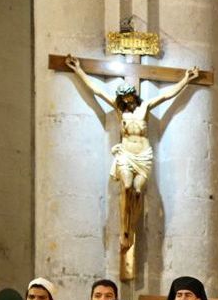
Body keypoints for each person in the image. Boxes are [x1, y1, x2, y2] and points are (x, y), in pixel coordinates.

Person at [65, 56, 199, 261]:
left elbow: (167, 97)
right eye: (124, 98)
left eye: (128, 97)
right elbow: (97, 91)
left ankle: (131, 225)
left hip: (143, 156)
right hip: (127, 154)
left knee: (137, 190)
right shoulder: (120, 111)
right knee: (126, 186)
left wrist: (186, 80)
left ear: (133, 95)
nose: (127, 101)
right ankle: (124, 229)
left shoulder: (145, 107)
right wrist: (79, 70)